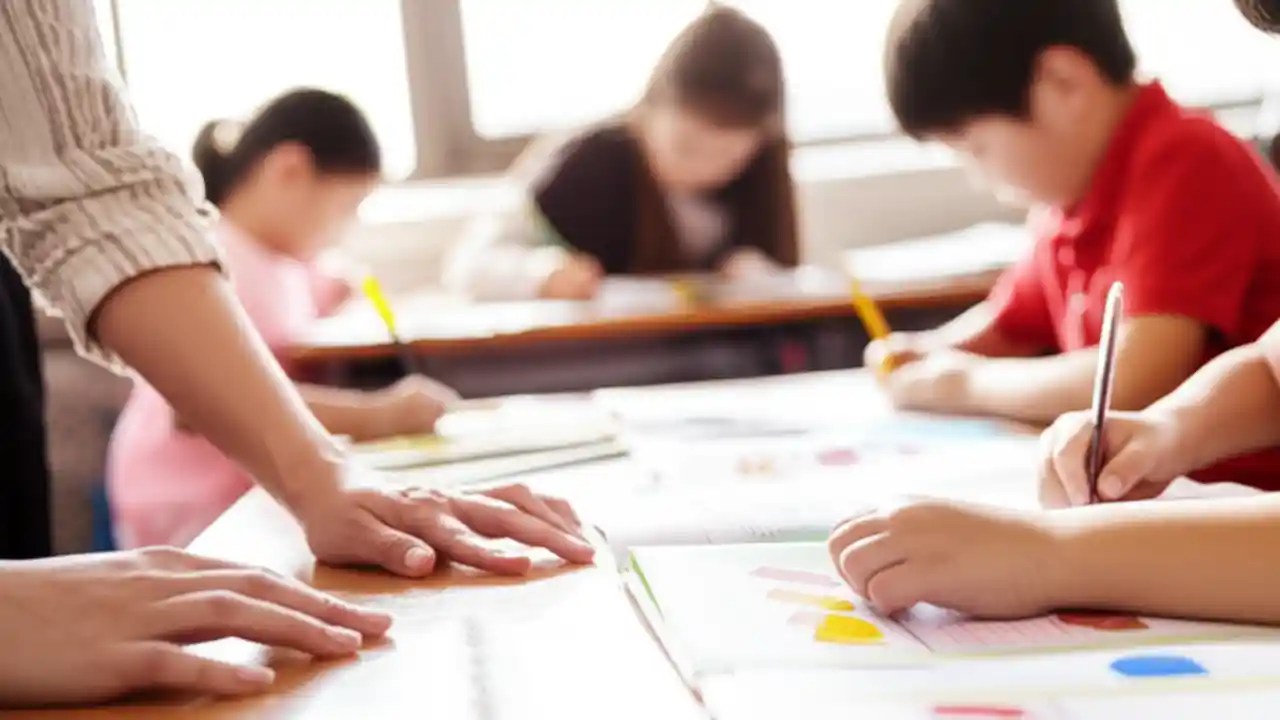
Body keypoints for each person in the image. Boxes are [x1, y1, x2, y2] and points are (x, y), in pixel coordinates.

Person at [0, 0, 592, 704]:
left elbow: (86, 180)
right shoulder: (241, 259)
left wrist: (322, 475)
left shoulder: (270, 264)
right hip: (180, 508)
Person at [827, 0, 1280, 628]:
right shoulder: (1074, 201)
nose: (980, 176)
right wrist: (1174, 428)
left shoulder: (1186, 158)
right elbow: (1271, 364)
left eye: (977, 148)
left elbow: (1134, 379)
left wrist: (1042, 553)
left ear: (1064, 84)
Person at [107, 89, 460, 549]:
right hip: (188, 505)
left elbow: (324, 289)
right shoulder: (213, 259)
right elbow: (194, 404)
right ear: (289, 170)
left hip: (253, 488)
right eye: (344, 207)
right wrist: (378, 415)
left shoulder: (280, 263)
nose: (342, 229)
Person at [444, 5, 799, 301]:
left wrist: (764, 280)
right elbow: (469, 266)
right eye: (687, 146)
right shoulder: (583, 166)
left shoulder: (761, 181)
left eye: (730, 157)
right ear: (648, 109)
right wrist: (543, 274)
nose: (704, 168)